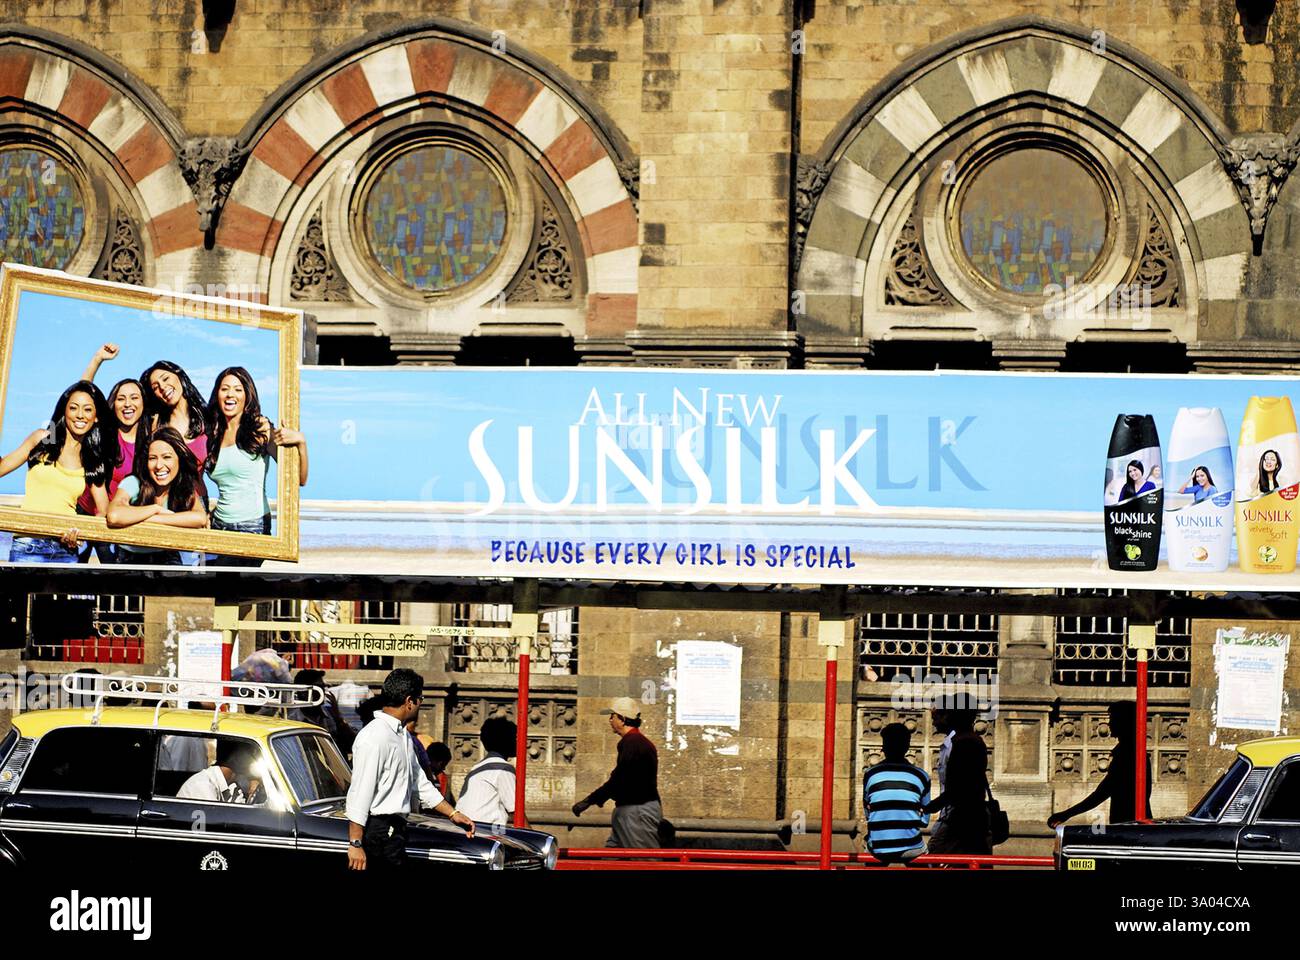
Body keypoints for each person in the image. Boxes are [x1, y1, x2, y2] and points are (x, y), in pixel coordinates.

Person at [346, 669, 474, 872]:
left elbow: (419, 783)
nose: (420, 704)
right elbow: (360, 791)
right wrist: (355, 843)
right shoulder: (375, 736)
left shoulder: (401, 735)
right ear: (409, 701)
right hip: (378, 830)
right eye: (420, 698)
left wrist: (453, 813)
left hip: (396, 828)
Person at [203, 366, 308, 567]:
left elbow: (299, 480)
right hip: (218, 527)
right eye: (224, 389)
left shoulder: (260, 428)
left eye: (237, 389)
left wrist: (301, 443)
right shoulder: (212, 432)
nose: (230, 394)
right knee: (223, 595)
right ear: (217, 394)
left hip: (253, 526)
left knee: (242, 593)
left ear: (247, 395)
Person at [0, 380, 112, 563]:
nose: (80, 415)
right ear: (64, 411)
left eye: (88, 409)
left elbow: (103, 511)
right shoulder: (43, 439)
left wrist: (81, 534)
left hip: (65, 549)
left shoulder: (92, 458)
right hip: (28, 544)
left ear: (96, 417)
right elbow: (2, 467)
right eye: (74, 408)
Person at [77, 343, 146, 563]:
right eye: (121, 398)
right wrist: (97, 359)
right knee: (68, 574)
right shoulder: (103, 431)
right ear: (113, 404)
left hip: (116, 521)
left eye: (134, 397)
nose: (128, 404)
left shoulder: (151, 442)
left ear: (144, 404)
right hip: (85, 514)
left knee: (118, 583)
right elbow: (81, 395)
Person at [106, 427, 209, 565]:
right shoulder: (134, 482)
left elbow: (199, 518)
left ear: (179, 458)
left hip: (167, 554)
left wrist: (149, 519)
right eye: (152, 458)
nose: (159, 465)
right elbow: (114, 516)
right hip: (130, 557)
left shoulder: (184, 486)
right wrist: (155, 508)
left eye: (167, 457)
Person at [572, 696, 662, 848]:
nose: (610, 720)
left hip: (636, 812)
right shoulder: (636, 742)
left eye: (612, 716)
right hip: (630, 811)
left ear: (622, 719)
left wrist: (589, 801)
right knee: (611, 858)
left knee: (645, 862)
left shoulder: (632, 743)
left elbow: (619, 779)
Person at [1048, 701, 1153, 828]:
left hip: (1130, 826)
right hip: (1131, 825)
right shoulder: (1132, 751)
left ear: (1125, 722)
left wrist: (1066, 814)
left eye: (1113, 719)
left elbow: (1102, 792)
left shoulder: (1128, 754)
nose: (1110, 724)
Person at [924, 709, 990, 854]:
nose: (934, 722)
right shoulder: (967, 741)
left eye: (938, 717)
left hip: (961, 817)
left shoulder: (964, 743)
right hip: (966, 816)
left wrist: (931, 806)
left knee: (934, 853)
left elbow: (959, 786)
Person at [863, 722, 930, 863]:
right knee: (923, 852)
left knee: (869, 847)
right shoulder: (921, 776)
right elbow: (925, 820)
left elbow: (868, 813)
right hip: (911, 847)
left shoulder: (870, 774)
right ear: (907, 747)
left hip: (878, 848)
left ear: (884, 747)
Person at [457, 716, 526, 828]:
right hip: (485, 833)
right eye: (516, 738)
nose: (519, 742)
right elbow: (516, 812)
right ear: (506, 741)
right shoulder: (503, 768)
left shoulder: (477, 768)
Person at [140, 360, 209, 467]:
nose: (162, 387)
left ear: (179, 376)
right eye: (155, 387)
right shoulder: (156, 427)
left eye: (166, 378)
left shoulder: (206, 418)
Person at [288, 669, 356, 755]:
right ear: (303, 692)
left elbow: (352, 744)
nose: (323, 691)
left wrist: (338, 718)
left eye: (323, 687)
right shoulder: (293, 720)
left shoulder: (330, 714)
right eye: (319, 687)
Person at [177, 740, 262, 803]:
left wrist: (253, 792)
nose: (254, 759)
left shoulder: (233, 785)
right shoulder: (202, 784)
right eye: (251, 754)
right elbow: (213, 821)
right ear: (236, 758)